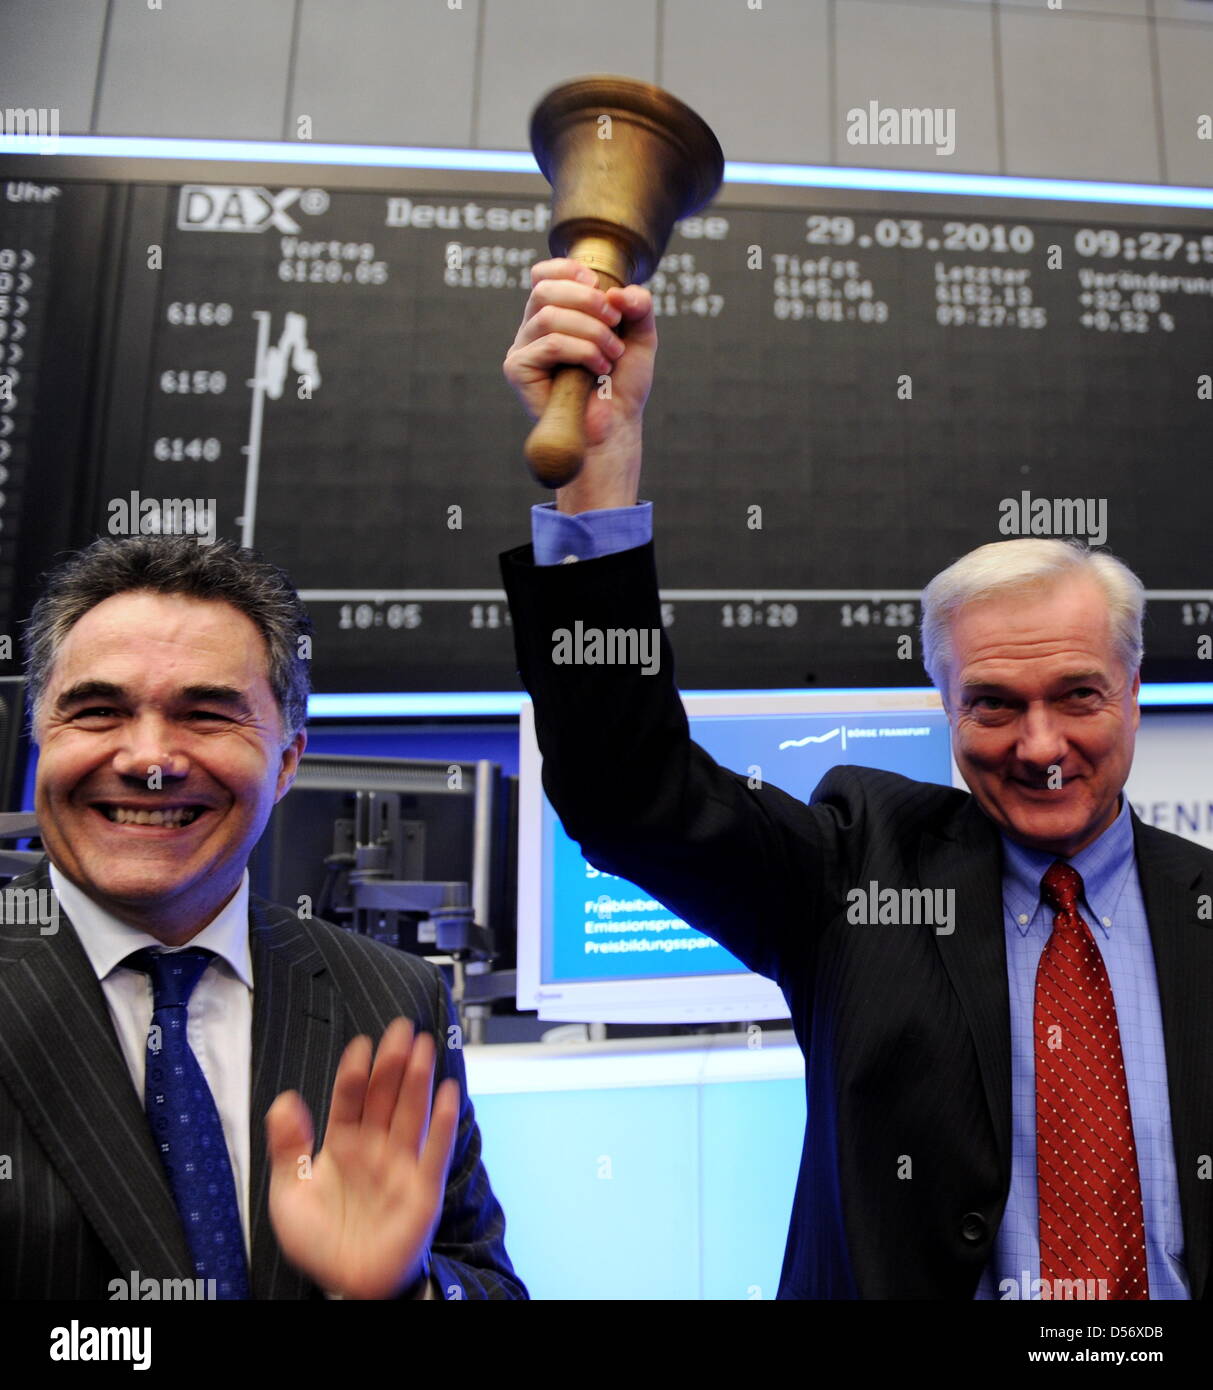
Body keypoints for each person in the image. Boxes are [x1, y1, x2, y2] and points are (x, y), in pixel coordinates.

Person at [498, 258, 1212, 1300]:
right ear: (943, 704)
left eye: (1078, 694)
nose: (1041, 742)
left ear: (1134, 686)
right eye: (994, 704)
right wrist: (599, 471)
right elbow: (625, 792)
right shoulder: (855, 867)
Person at [0, 535, 525, 1300]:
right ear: (43, 738)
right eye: (99, 711)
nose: (150, 759)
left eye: (206, 715)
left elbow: (485, 1283)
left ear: (286, 761)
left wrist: (402, 1289)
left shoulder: (390, 999)